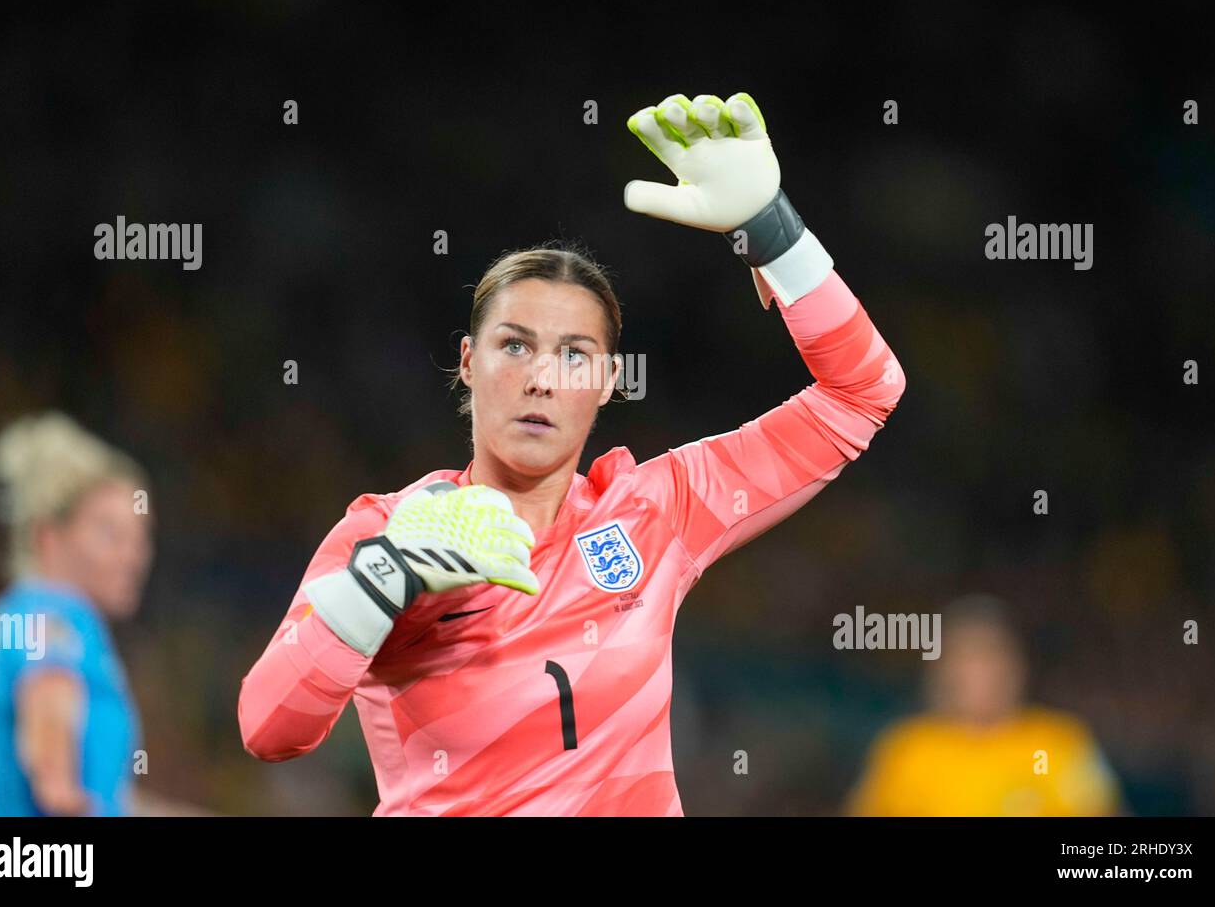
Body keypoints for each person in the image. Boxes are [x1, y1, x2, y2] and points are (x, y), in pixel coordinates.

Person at [239, 91, 908, 815]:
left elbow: (862, 391)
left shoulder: (662, 511)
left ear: (608, 381)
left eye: (576, 354)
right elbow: (269, 730)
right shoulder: (392, 534)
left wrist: (772, 233)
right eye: (515, 344)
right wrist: (376, 585)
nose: (542, 377)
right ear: (469, 361)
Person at [0, 412, 153, 816]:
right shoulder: (56, 618)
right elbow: (52, 762)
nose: (134, 556)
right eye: (110, 533)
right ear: (49, 536)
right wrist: (54, 776)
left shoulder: (11, 617)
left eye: (141, 536)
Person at [846, 595, 1123, 816]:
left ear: (1016, 665)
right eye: (964, 658)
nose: (979, 673)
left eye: (990, 655)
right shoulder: (907, 750)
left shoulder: (1059, 743)